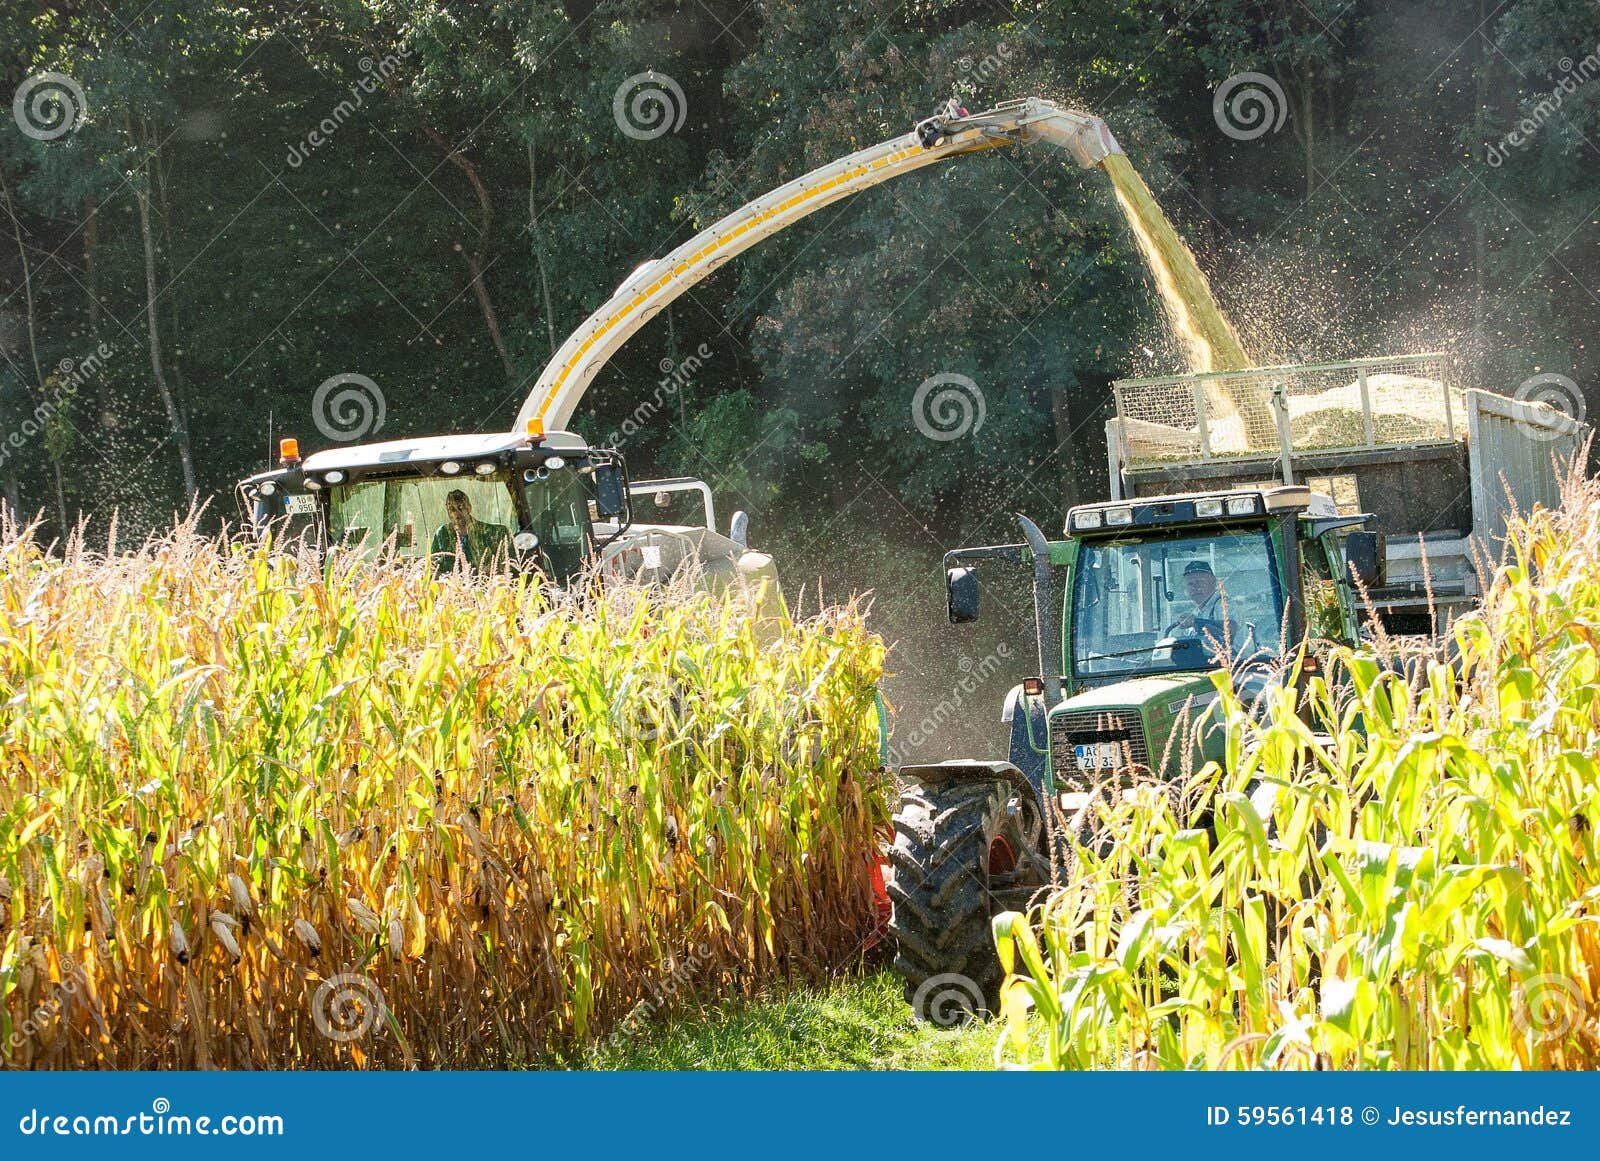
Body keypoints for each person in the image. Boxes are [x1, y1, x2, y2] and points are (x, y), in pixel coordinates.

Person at [1164, 559, 1247, 654]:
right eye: (1190, 584)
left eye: (1200, 582)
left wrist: (1197, 623)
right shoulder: (1199, 611)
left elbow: (1231, 627)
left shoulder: (1225, 604)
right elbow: (1184, 636)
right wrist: (1181, 625)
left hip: (1235, 663)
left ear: (1213, 582)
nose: (1196, 587)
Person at [430, 489, 510, 574]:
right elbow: (432, 567)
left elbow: (507, 566)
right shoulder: (442, 534)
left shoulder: (493, 533)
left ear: (469, 508)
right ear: (448, 511)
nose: (457, 513)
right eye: (452, 509)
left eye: (460, 508)